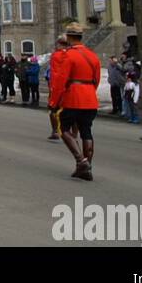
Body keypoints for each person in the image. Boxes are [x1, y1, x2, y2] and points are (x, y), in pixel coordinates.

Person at [49, 23, 100, 181]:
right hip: (90, 97)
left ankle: (81, 160)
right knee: (87, 132)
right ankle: (86, 167)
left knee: (63, 127)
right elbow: (96, 79)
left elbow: (60, 80)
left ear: (69, 37)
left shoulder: (68, 55)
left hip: (73, 97)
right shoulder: (92, 55)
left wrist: (54, 101)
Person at [47, 36, 69, 140]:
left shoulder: (56, 56)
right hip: (70, 87)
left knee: (53, 110)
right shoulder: (71, 55)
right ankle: (71, 132)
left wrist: (52, 87)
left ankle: (55, 130)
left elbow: (55, 74)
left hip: (57, 87)